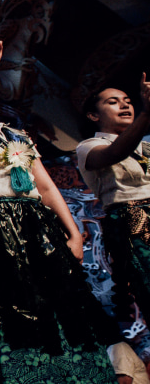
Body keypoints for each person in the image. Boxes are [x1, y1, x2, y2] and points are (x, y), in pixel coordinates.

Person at [0, 30, 116, 381]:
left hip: (34, 221)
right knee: (8, 303)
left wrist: (72, 233)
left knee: (61, 298)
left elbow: (45, 186)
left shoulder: (16, 134)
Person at [76, 76, 150, 320]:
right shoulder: (88, 146)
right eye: (113, 102)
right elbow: (115, 153)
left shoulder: (146, 145)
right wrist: (146, 114)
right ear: (93, 115)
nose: (125, 105)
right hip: (133, 222)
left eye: (128, 100)